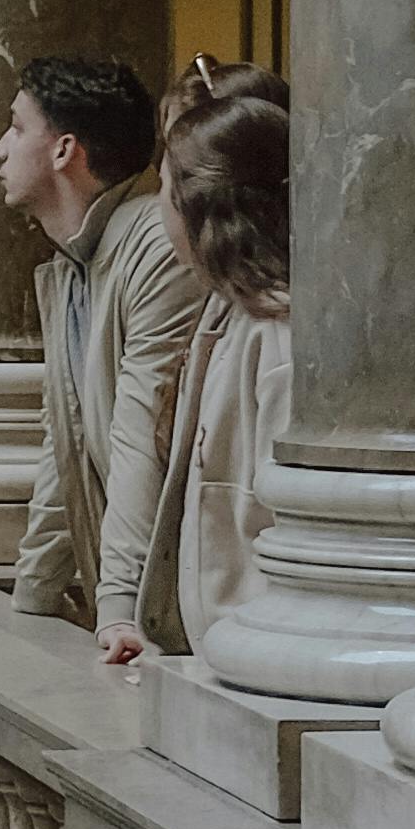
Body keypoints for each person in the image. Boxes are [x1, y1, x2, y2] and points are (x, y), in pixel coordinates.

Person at [1, 52, 202, 650]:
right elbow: (63, 447)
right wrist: (33, 596)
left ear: (65, 150)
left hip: (185, 601)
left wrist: (118, 607)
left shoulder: (153, 244)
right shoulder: (71, 265)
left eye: (15, 128)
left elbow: (143, 432)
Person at [129, 77, 292, 672]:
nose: (158, 208)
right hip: (217, 657)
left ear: (198, 206)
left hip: (254, 662)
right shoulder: (226, 313)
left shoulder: (279, 341)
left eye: (166, 190)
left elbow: (281, 527)